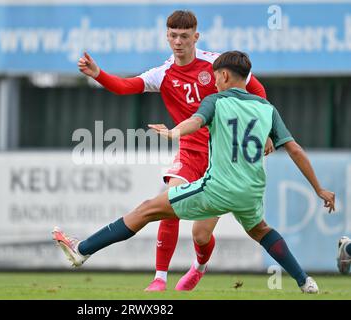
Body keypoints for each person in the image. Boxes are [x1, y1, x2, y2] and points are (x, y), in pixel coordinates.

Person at [54, 50, 335, 294]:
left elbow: (195, 121)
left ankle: (82, 251)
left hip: (218, 188)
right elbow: (296, 150)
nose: (213, 81)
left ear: (224, 76)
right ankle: (304, 281)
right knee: (261, 230)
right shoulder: (267, 109)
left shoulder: (217, 100)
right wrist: (319, 189)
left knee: (147, 209)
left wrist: (174, 132)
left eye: (215, 77)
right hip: (251, 192)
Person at [78, 10, 273, 291]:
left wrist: (265, 131)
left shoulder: (216, 65)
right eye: (173, 35)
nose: (178, 41)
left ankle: (199, 266)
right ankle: (159, 278)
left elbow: (258, 91)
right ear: (166, 37)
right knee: (167, 203)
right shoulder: (163, 73)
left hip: (222, 157)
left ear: (196, 36)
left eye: (184, 35)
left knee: (201, 234)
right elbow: (125, 87)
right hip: (190, 153)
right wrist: (99, 74)